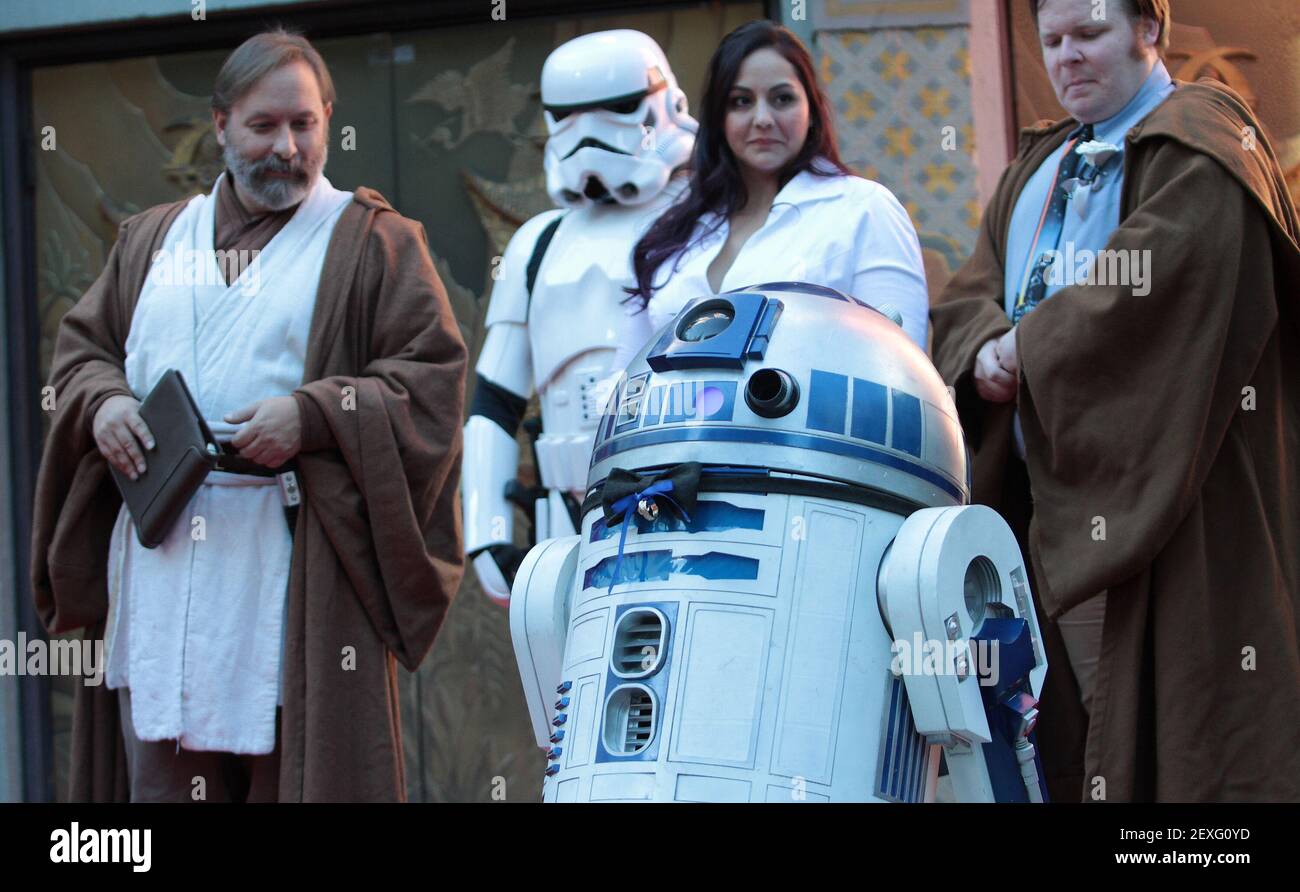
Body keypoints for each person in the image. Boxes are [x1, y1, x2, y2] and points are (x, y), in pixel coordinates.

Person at [30, 28, 468, 802]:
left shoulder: (374, 244)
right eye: (264, 126)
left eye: (305, 124)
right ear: (222, 122)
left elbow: (430, 382)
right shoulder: (151, 240)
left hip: (291, 567)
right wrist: (103, 405)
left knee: (292, 773)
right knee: (163, 776)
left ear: (329, 119)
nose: (287, 147)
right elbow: (83, 355)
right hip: (163, 562)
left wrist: (314, 414)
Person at [930, 0, 1300, 801]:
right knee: (1083, 743)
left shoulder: (1203, 142)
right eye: (1053, 40)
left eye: (1089, 33)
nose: (1067, 57)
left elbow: (1148, 291)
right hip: (1049, 521)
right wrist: (985, 348)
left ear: (1149, 29)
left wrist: (1024, 348)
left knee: (1189, 754)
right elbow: (965, 298)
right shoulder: (1038, 164)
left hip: (1172, 517)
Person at [462, 30, 696, 607]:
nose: (591, 136)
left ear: (669, 105)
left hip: (688, 502)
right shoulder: (538, 243)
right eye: (568, 117)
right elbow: (494, 401)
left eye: (618, 109)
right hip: (562, 518)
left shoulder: (710, 222)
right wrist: (487, 534)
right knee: (567, 691)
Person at [622, 20, 929, 357]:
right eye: (741, 101)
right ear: (718, 118)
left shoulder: (864, 208)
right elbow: (631, 373)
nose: (763, 118)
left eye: (782, 99)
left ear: (811, 111)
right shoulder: (677, 229)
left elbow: (898, 367)